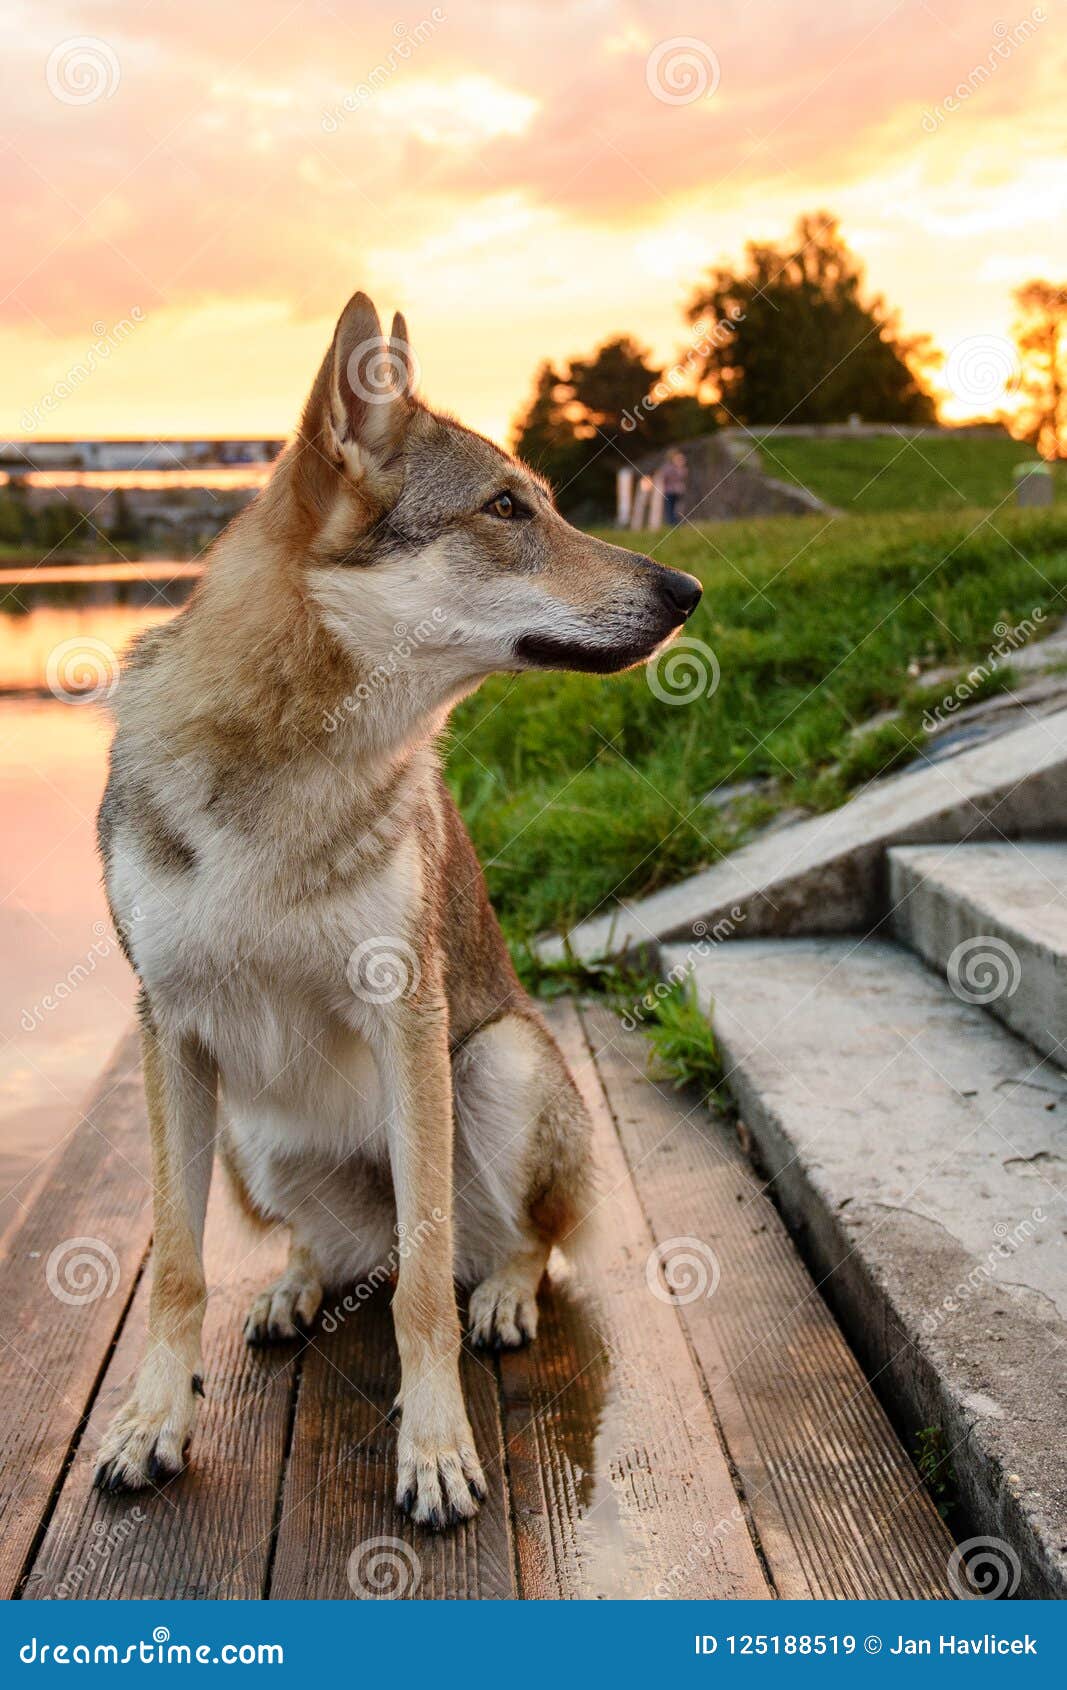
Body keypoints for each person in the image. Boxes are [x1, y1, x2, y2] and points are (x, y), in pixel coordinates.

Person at [660, 450, 688, 525]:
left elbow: (683, 476)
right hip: (669, 491)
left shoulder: (681, 468)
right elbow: (664, 477)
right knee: (670, 508)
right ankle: (671, 523)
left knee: (678, 508)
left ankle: (677, 522)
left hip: (678, 492)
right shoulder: (667, 468)